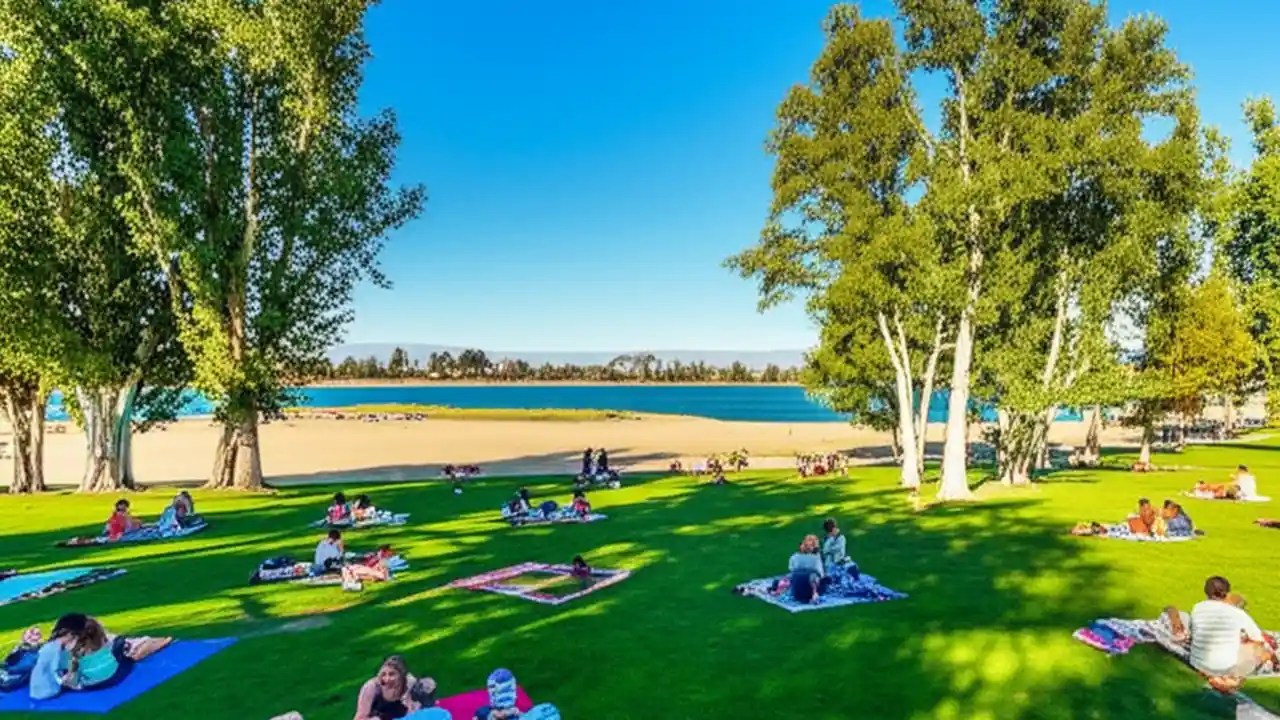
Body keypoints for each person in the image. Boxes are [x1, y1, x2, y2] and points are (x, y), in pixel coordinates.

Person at [1188, 576, 1274, 692]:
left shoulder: (1197, 608)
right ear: (1227, 593)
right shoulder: (1236, 613)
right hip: (1225, 666)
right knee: (1260, 650)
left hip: (1197, 663)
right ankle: (1233, 682)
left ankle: (1213, 677)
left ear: (1206, 591)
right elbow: (1258, 640)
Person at [354, 655, 431, 720]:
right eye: (383, 674)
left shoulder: (409, 685)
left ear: (402, 676)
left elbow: (415, 715)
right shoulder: (371, 687)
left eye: (392, 674)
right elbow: (360, 717)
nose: (387, 679)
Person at [786, 535, 825, 604]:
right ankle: (814, 596)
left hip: (796, 594)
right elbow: (821, 574)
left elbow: (791, 569)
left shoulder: (794, 557)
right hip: (810, 593)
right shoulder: (815, 559)